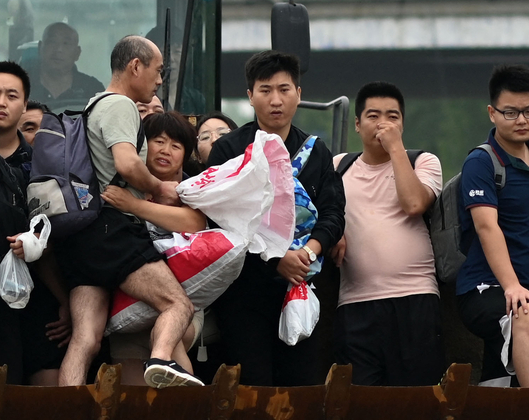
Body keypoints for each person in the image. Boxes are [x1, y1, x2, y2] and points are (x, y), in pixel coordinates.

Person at [53, 35, 200, 388]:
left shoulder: (92, 105)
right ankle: (161, 360)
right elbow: (127, 163)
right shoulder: (120, 106)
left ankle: (65, 410)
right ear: (136, 66)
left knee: (85, 339)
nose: (160, 80)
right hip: (113, 229)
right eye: (158, 70)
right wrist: (157, 188)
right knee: (178, 305)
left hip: (80, 233)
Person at [206, 51, 345, 387]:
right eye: (265, 90)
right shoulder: (229, 150)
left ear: (299, 93)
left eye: (284, 89)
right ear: (250, 96)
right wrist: (275, 258)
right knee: (251, 385)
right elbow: (219, 222)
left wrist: (307, 253)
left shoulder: (316, 152)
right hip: (244, 291)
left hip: (300, 287)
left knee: (302, 384)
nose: (275, 100)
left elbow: (333, 213)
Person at [331, 82, 444, 386]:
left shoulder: (423, 161)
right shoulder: (338, 167)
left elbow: (413, 203)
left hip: (415, 298)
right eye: (373, 116)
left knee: (418, 401)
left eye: (392, 117)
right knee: (360, 404)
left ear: (402, 123)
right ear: (357, 124)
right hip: (356, 304)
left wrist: (395, 148)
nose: (383, 124)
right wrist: (334, 231)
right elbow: (312, 216)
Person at [0, 61, 70, 386]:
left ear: (24, 103)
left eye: (12, 95)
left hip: (36, 297)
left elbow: (55, 237)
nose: (1, 102)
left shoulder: (41, 168)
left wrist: (64, 301)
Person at [456, 65, 529, 388]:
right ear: (492, 113)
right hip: (484, 289)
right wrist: (511, 286)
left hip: (522, 287)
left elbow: (522, 217)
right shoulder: (482, 162)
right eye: (510, 112)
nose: (522, 120)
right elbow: (487, 228)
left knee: (500, 369)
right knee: (526, 317)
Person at [102, 111, 207, 385]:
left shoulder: (192, 189)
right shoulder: (122, 183)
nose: (166, 151)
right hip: (126, 309)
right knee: (134, 407)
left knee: (167, 337)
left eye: (176, 145)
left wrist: (135, 206)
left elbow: (195, 223)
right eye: (158, 142)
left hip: (182, 307)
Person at [25, 22, 104, 110]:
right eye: (52, 42)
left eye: (66, 43)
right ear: (40, 47)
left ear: (77, 53)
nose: (59, 49)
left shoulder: (92, 89)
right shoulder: (22, 84)